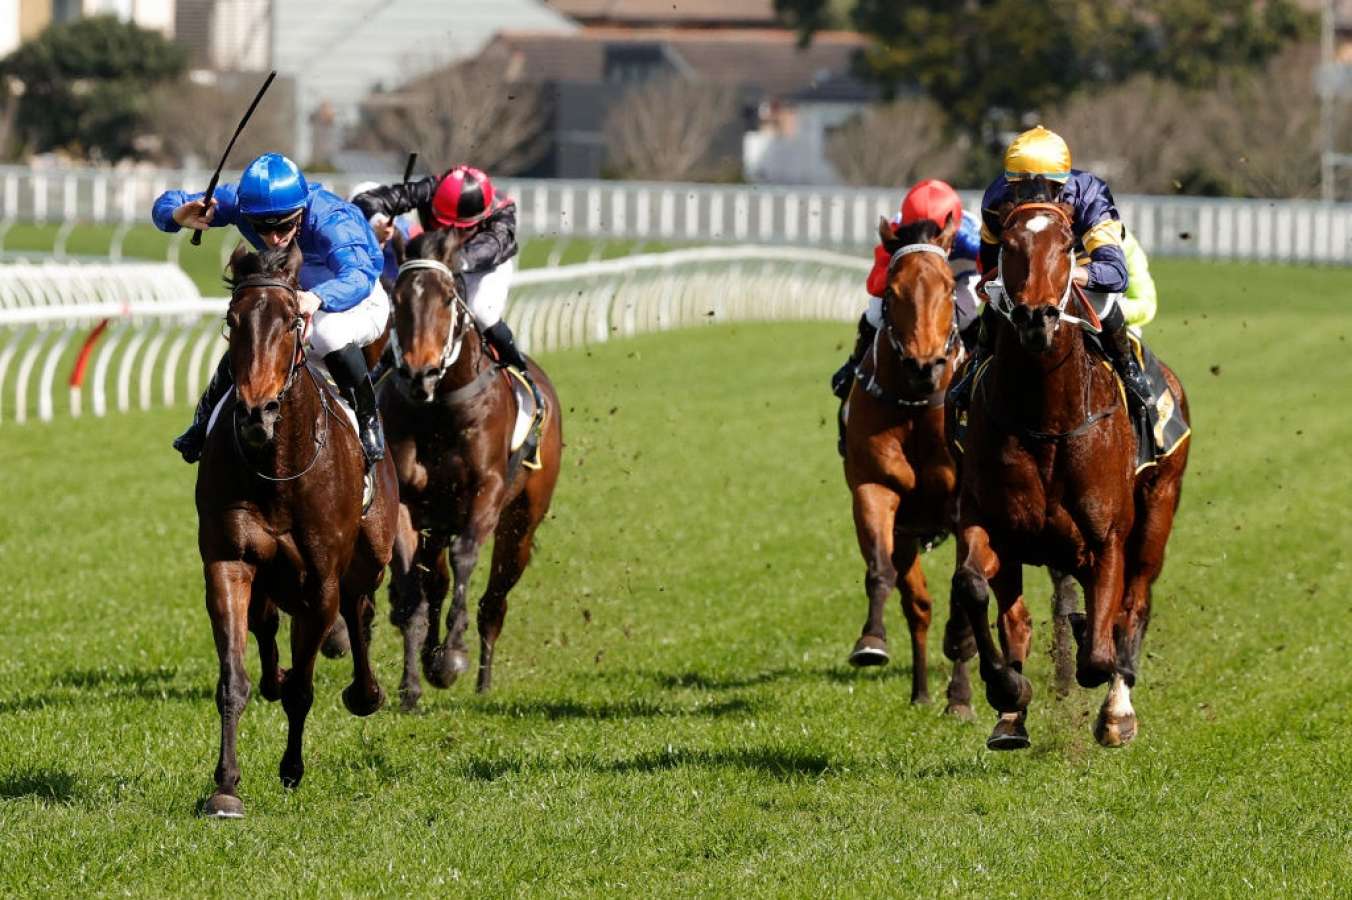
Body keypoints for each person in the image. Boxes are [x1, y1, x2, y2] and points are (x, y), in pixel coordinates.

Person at [153, 153, 388, 465]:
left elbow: (358, 275)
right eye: (261, 227)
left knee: (329, 333)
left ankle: (368, 419)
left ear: (302, 209)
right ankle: (203, 422)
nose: (274, 238)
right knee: (256, 331)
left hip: (358, 300)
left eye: (284, 226)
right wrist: (175, 215)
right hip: (296, 298)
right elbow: (167, 203)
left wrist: (317, 297)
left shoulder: (333, 219)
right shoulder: (238, 202)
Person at [949, 125, 1156, 442]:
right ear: (1010, 184)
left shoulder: (1090, 195)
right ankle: (977, 365)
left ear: (1063, 183)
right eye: (1021, 188)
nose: (1033, 194)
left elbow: (1116, 273)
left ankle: (1130, 373)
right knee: (995, 300)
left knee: (1106, 304)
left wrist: (1066, 273)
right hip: (1027, 270)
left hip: (1080, 267)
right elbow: (991, 265)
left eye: (1047, 186)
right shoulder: (996, 198)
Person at [352, 165, 543, 413]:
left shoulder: (502, 210)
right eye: (442, 223)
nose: (450, 232)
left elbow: (494, 244)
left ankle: (520, 371)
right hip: (436, 262)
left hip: (482, 265)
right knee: (412, 310)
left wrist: (455, 262)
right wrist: (378, 221)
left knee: (481, 312)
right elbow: (367, 200)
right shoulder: (431, 188)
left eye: (459, 228)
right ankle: (381, 370)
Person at [831, 178, 981, 403]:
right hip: (913, 279)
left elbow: (991, 264)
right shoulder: (896, 231)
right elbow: (875, 284)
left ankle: (977, 368)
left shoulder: (970, 238)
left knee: (966, 310)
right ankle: (854, 365)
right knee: (875, 311)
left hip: (958, 273)